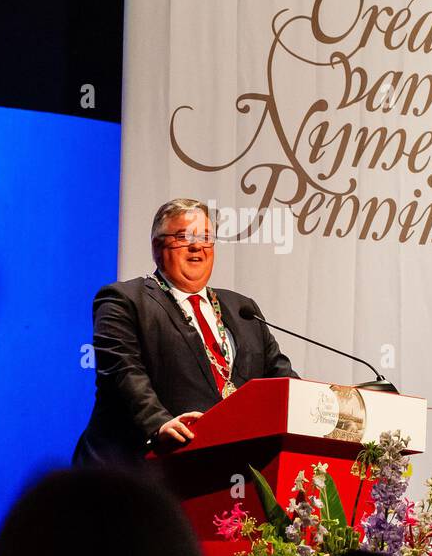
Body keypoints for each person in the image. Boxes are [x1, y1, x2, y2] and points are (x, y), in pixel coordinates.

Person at [72, 198, 297, 467]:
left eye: (205, 238)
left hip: (223, 471)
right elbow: (124, 372)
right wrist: (158, 423)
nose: (196, 247)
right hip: (138, 472)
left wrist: (321, 407)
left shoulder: (242, 308)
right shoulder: (124, 301)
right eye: (183, 237)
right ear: (157, 246)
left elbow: (281, 378)